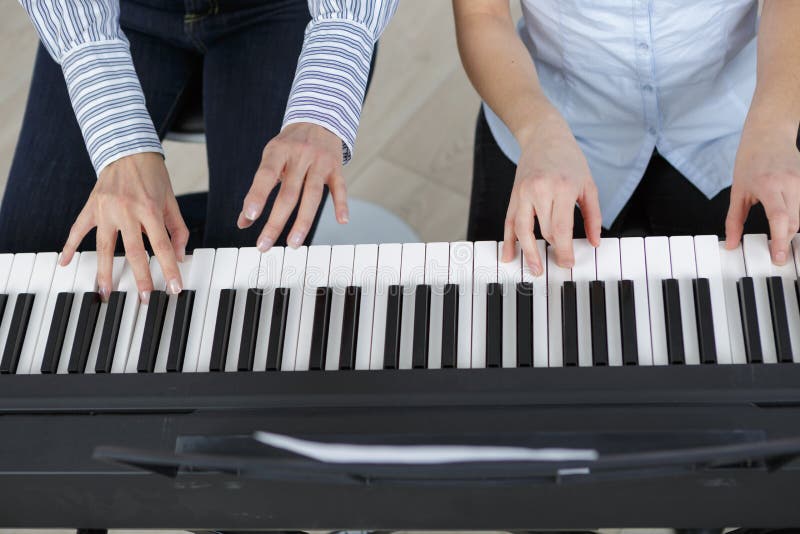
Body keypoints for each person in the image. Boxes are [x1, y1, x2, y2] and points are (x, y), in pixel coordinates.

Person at [2, 0, 397, 302]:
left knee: (249, 280)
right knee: (26, 268)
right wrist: (119, 140)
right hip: (113, 13)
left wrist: (323, 95)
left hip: (288, 11)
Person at [453, 0, 800, 274]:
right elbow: (482, 13)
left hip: (738, 124)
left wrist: (774, 126)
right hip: (548, 125)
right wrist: (538, 129)